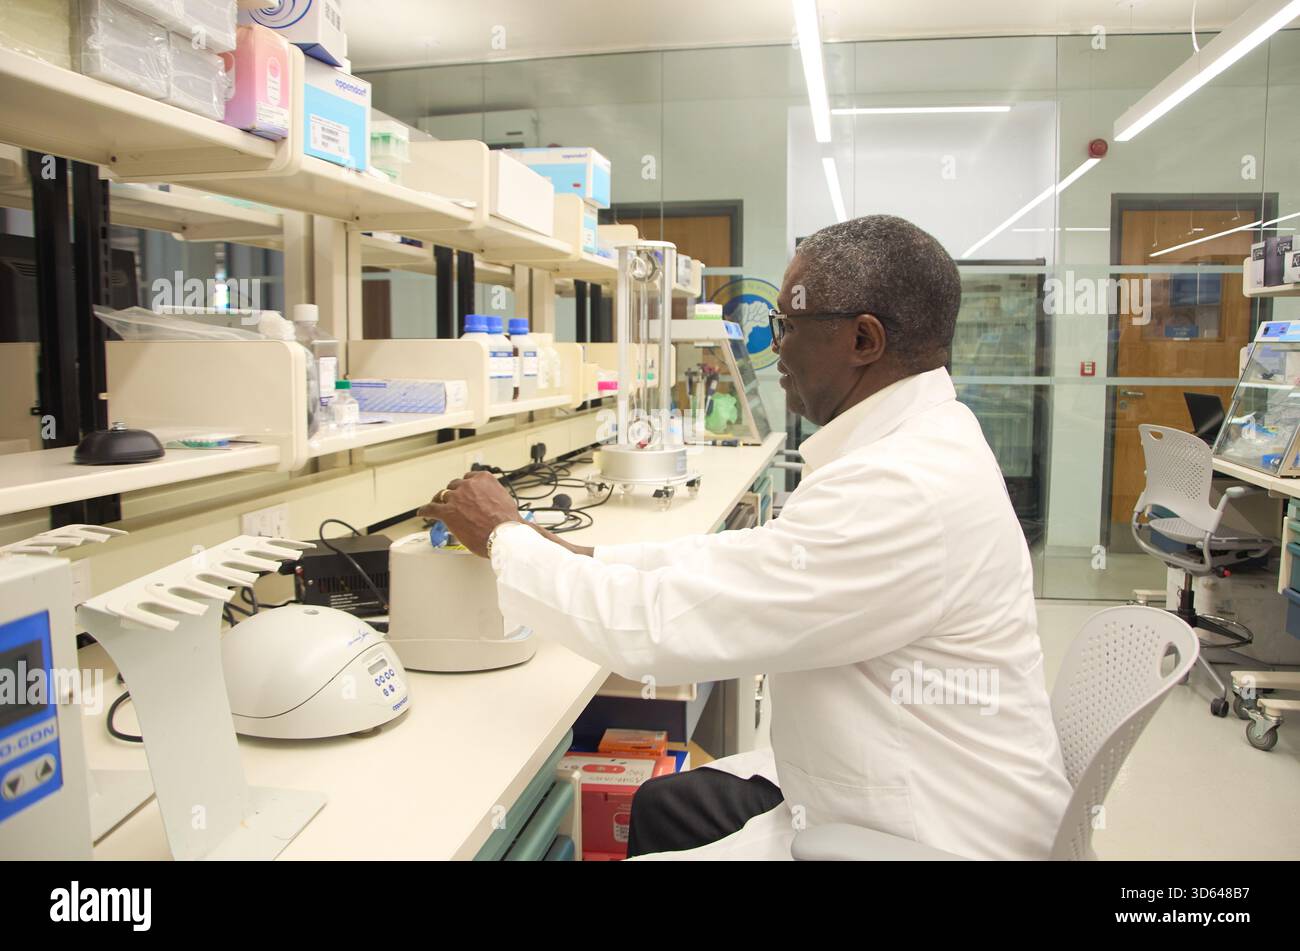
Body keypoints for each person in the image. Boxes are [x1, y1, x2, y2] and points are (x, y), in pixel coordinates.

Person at [418, 215, 1072, 860]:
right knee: (662, 805)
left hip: (929, 834)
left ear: (863, 340)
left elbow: (657, 629)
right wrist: (576, 552)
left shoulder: (903, 487)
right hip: (890, 783)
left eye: (788, 324)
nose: (773, 344)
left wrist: (505, 538)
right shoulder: (921, 442)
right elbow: (736, 561)